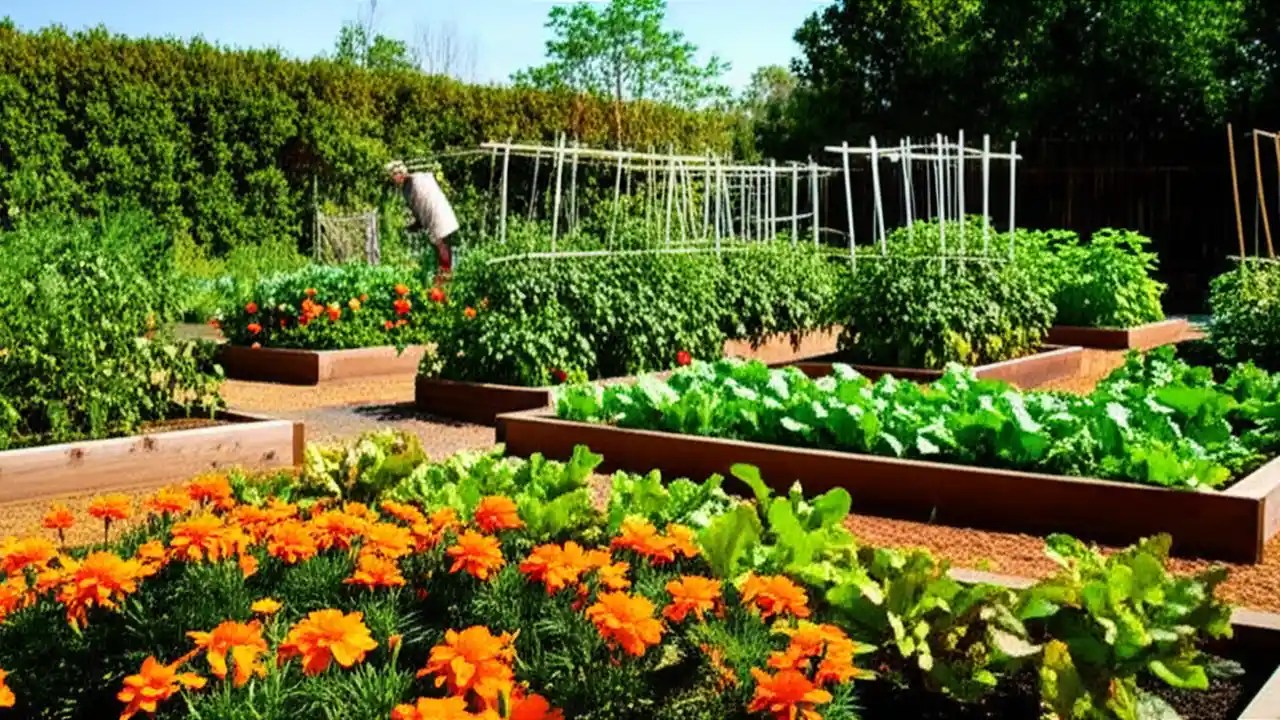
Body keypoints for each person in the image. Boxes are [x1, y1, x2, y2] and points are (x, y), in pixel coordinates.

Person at [386, 161, 460, 276]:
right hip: (441, 215)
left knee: (442, 247)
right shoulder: (418, 179)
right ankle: (444, 275)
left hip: (437, 217)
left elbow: (420, 209)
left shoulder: (412, 185)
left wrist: (414, 226)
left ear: (400, 174)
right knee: (442, 247)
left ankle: (445, 277)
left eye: (394, 176)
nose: (393, 180)